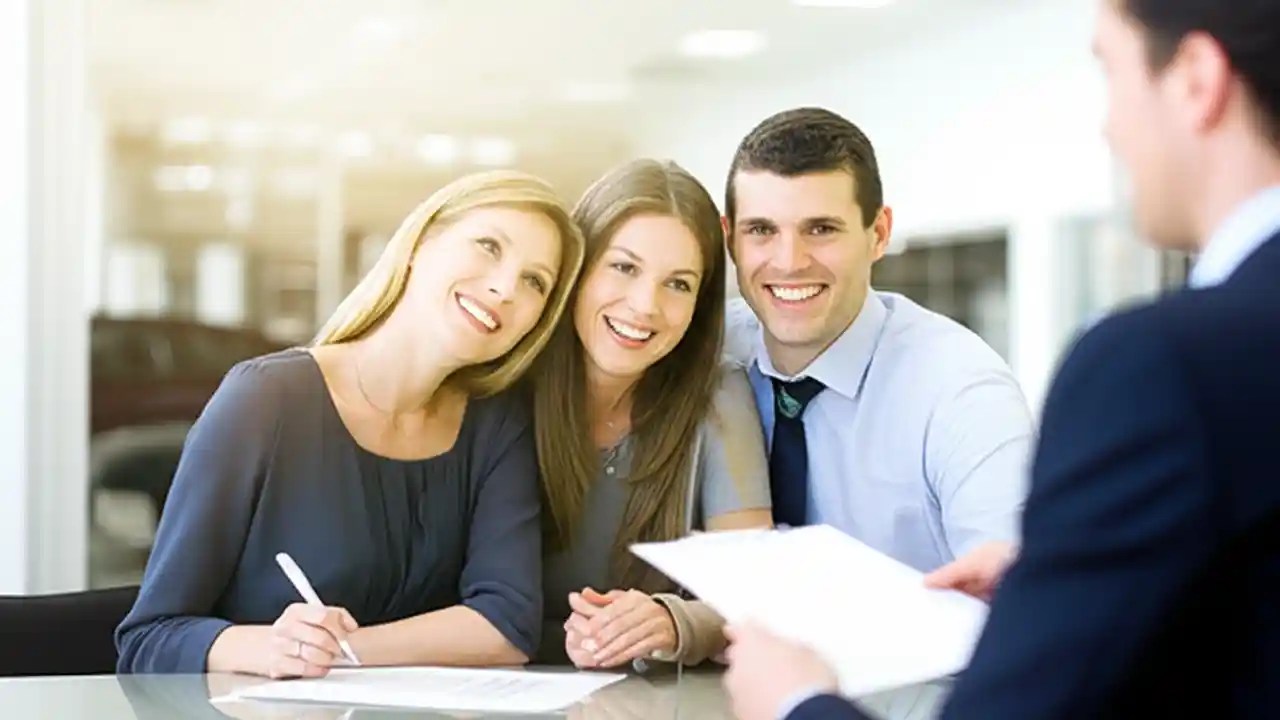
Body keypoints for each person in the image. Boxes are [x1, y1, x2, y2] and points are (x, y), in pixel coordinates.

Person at [724, 0, 1280, 717]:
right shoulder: (714, 355)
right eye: (761, 230)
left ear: (1197, 79)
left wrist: (796, 701)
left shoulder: (1156, 364)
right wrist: (1046, 579)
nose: (1107, 127)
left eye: (1110, 73)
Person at [115, 170, 587, 677]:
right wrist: (268, 648)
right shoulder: (266, 399)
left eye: (535, 281)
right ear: (420, 244)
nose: (504, 287)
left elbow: (505, 627)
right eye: (489, 246)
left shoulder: (496, 426)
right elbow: (149, 639)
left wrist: (342, 650)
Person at [722, 107, 1035, 575]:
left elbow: (1020, 592)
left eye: (821, 229)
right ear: (730, 239)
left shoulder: (960, 392)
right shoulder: (707, 351)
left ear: (879, 234)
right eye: (762, 230)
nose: (789, 262)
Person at [532, 159, 772, 670]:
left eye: (678, 284)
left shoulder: (717, 395)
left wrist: (675, 622)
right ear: (579, 266)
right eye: (624, 267)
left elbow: (754, 597)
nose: (644, 306)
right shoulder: (508, 388)